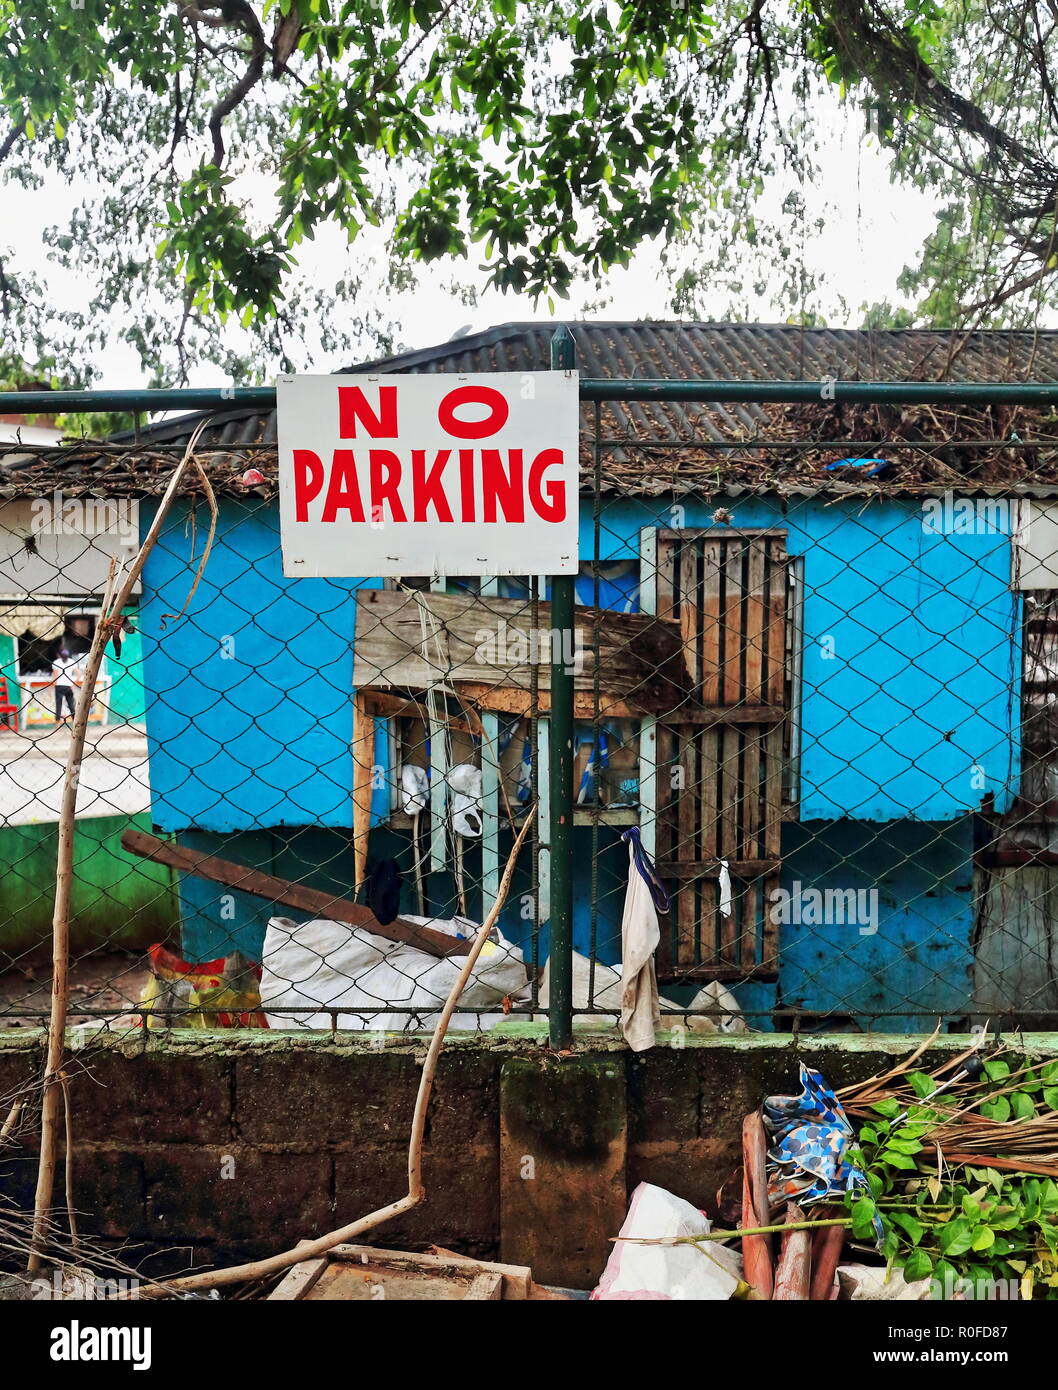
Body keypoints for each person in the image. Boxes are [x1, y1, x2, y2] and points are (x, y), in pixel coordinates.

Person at [51, 647, 80, 725]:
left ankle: (57, 724)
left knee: (58, 705)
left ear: (59, 655)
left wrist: (52, 686)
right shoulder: (71, 662)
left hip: (59, 686)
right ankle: (75, 722)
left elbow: (55, 676)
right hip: (68, 686)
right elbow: (79, 674)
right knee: (71, 704)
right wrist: (73, 684)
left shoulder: (56, 662)